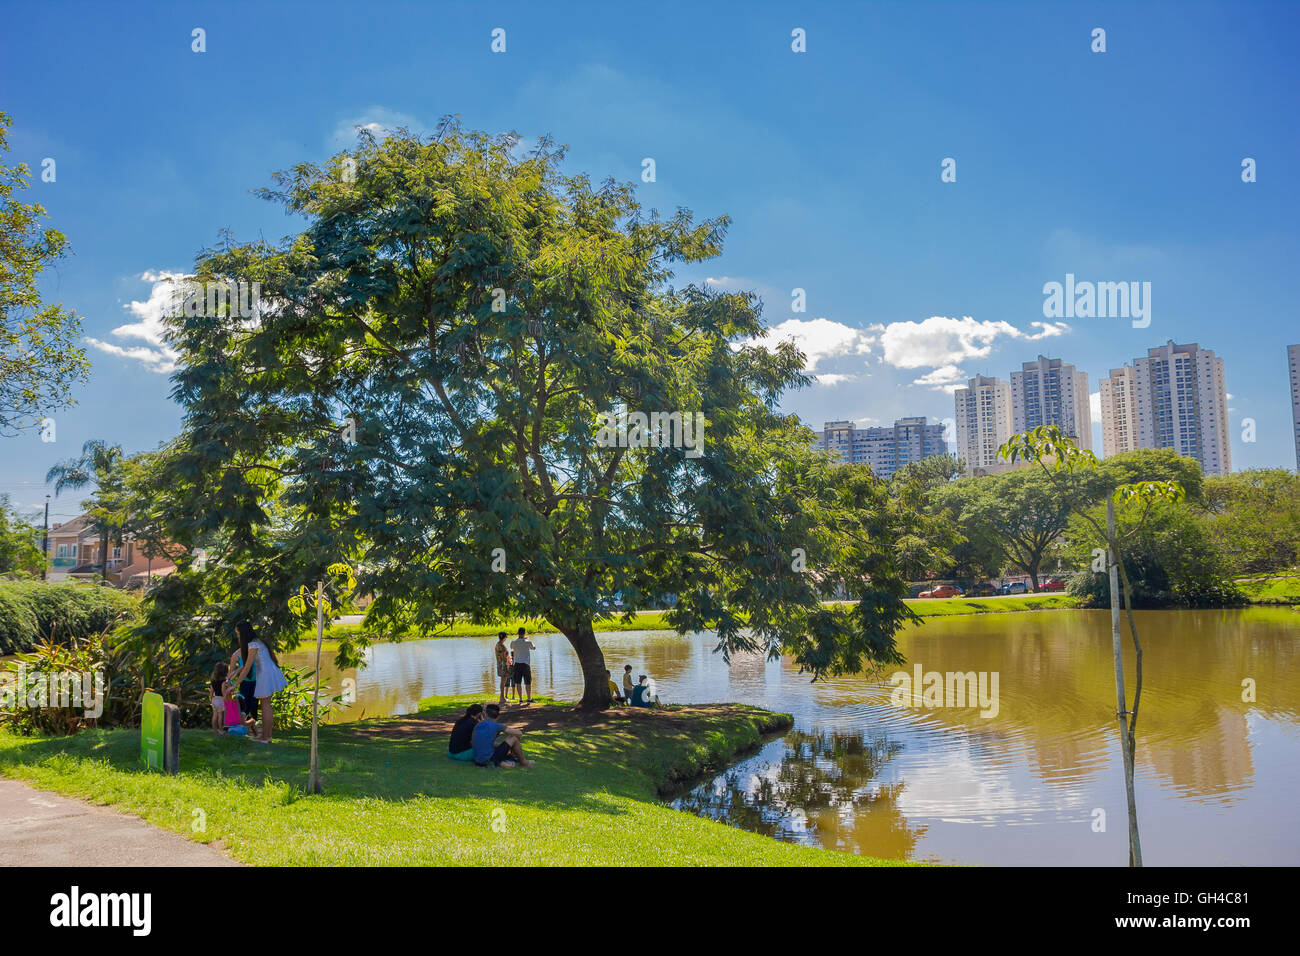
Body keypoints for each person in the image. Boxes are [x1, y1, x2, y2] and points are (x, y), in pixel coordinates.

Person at [231, 621, 288, 743]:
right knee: (266, 704)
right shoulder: (258, 641)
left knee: (265, 705)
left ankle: (266, 737)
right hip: (268, 672)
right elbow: (247, 665)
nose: (238, 637)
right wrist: (236, 672)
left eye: (238, 634)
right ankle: (267, 736)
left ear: (243, 633)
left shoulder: (252, 645)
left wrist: (235, 684)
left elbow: (247, 667)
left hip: (265, 674)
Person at [471, 704, 533, 768]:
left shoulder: (477, 725)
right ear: (498, 716)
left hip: (477, 760)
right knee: (513, 738)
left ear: (486, 714)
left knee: (499, 743)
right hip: (489, 759)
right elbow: (519, 733)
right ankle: (523, 762)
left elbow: (473, 742)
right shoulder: (497, 726)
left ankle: (508, 759)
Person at [510, 627, 536, 705]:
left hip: (517, 664)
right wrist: (527, 639)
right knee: (527, 682)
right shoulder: (528, 642)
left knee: (518, 682)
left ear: (518, 633)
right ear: (524, 633)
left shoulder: (513, 642)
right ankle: (528, 698)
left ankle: (521, 699)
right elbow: (534, 648)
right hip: (525, 664)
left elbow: (512, 648)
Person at [210, 662, 229, 734]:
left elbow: (211, 692)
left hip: (214, 699)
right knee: (220, 716)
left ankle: (214, 730)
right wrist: (225, 698)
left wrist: (211, 699)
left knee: (214, 715)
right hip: (221, 699)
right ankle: (221, 730)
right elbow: (223, 691)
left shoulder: (213, 681)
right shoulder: (223, 682)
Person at [494, 632, 513, 705]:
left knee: (503, 681)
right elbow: (503, 657)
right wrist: (509, 662)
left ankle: (502, 697)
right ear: (504, 637)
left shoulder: (497, 644)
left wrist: (508, 659)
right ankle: (502, 697)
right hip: (503, 665)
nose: (506, 638)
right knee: (503, 681)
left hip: (500, 665)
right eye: (506, 637)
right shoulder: (501, 645)